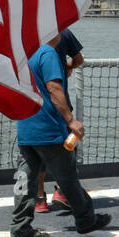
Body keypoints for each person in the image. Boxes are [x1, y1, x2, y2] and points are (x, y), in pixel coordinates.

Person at [11, 34, 111, 237]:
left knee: (24, 180)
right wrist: (71, 120)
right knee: (67, 178)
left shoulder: (23, 54)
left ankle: (20, 227)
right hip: (49, 128)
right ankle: (86, 220)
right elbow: (54, 88)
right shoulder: (47, 54)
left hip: (26, 127)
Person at [36, 28, 83, 214]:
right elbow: (79, 58)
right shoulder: (63, 32)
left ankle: (40, 199)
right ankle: (62, 191)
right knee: (69, 144)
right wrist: (68, 67)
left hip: (34, 100)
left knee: (36, 149)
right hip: (60, 100)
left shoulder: (26, 31)